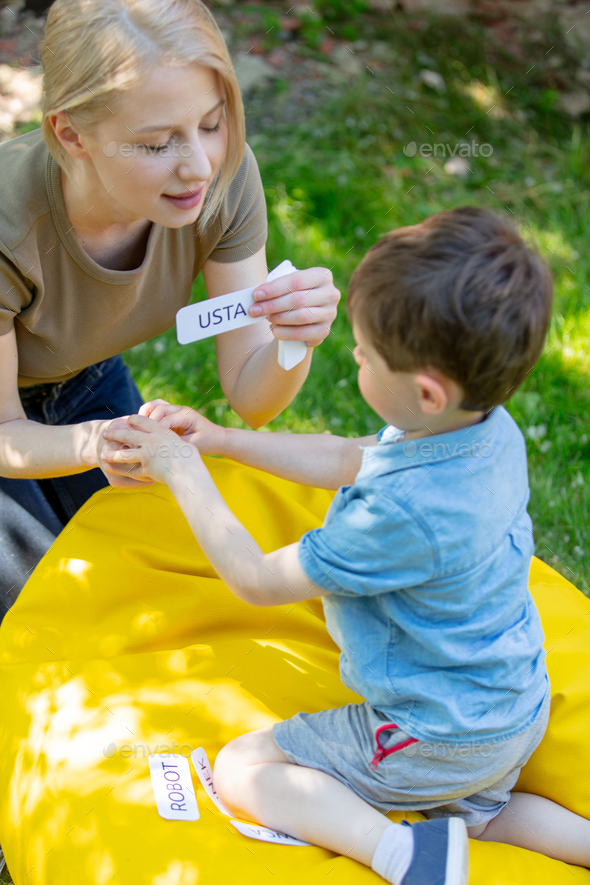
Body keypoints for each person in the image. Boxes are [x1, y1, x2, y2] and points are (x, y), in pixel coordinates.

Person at [102, 207, 590, 885]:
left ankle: (400, 853)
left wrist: (181, 470)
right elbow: (346, 456)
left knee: (244, 767)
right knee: (479, 816)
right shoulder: (487, 429)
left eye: (363, 356)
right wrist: (219, 439)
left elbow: (255, 578)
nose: (355, 360)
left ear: (425, 389)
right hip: (510, 706)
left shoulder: (397, 516)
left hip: (430, 733)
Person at [0, 0, 340, 613]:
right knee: (48, 607)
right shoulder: (8, 225)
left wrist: (295, 341)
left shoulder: (222, 181)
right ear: (70, 134)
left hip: (82, 379)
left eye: (211, 124)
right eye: (157, 144)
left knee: (167, 577)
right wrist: (97, 444)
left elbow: (250, 397)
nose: (200, 165)